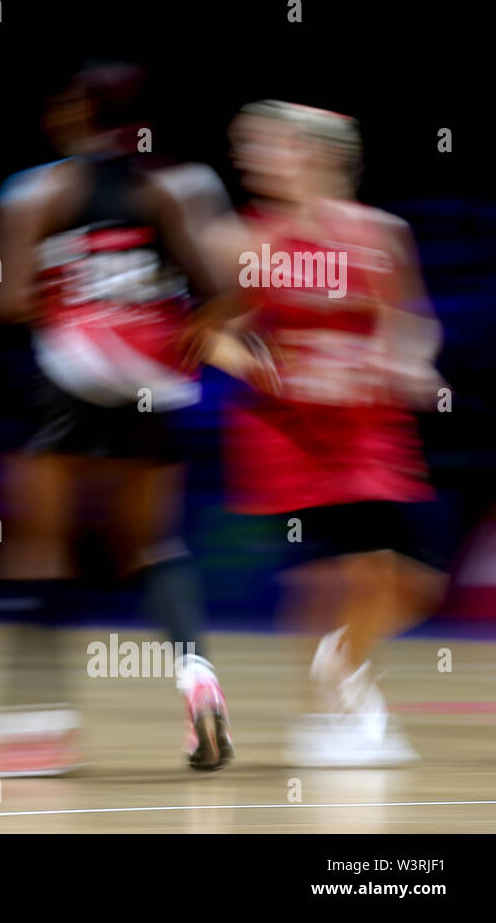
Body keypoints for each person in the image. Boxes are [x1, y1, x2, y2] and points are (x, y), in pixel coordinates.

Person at [0, 63, 238, 777]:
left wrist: (64, 294)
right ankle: (196, 674)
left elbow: (7, 300)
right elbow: (221, 294)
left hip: (72, 376)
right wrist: (170, 325)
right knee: (155, 545)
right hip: (153, 383)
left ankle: (37, 732)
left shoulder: (37, 190)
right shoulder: (170, 188)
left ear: (72, 114)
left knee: (39, 548)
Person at [195, 101, 448, 766]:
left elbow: (412, 322)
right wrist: (259, 367)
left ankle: (341, 661)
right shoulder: (240, 241)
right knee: (336, 576)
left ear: (317, 153)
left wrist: (404, 361)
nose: (250, 157)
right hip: (289, 427)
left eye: (265, 144)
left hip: (370, 423)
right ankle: (330, 717)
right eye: (244, 145)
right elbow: (206, 333)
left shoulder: (381, 234)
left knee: (417, 584)